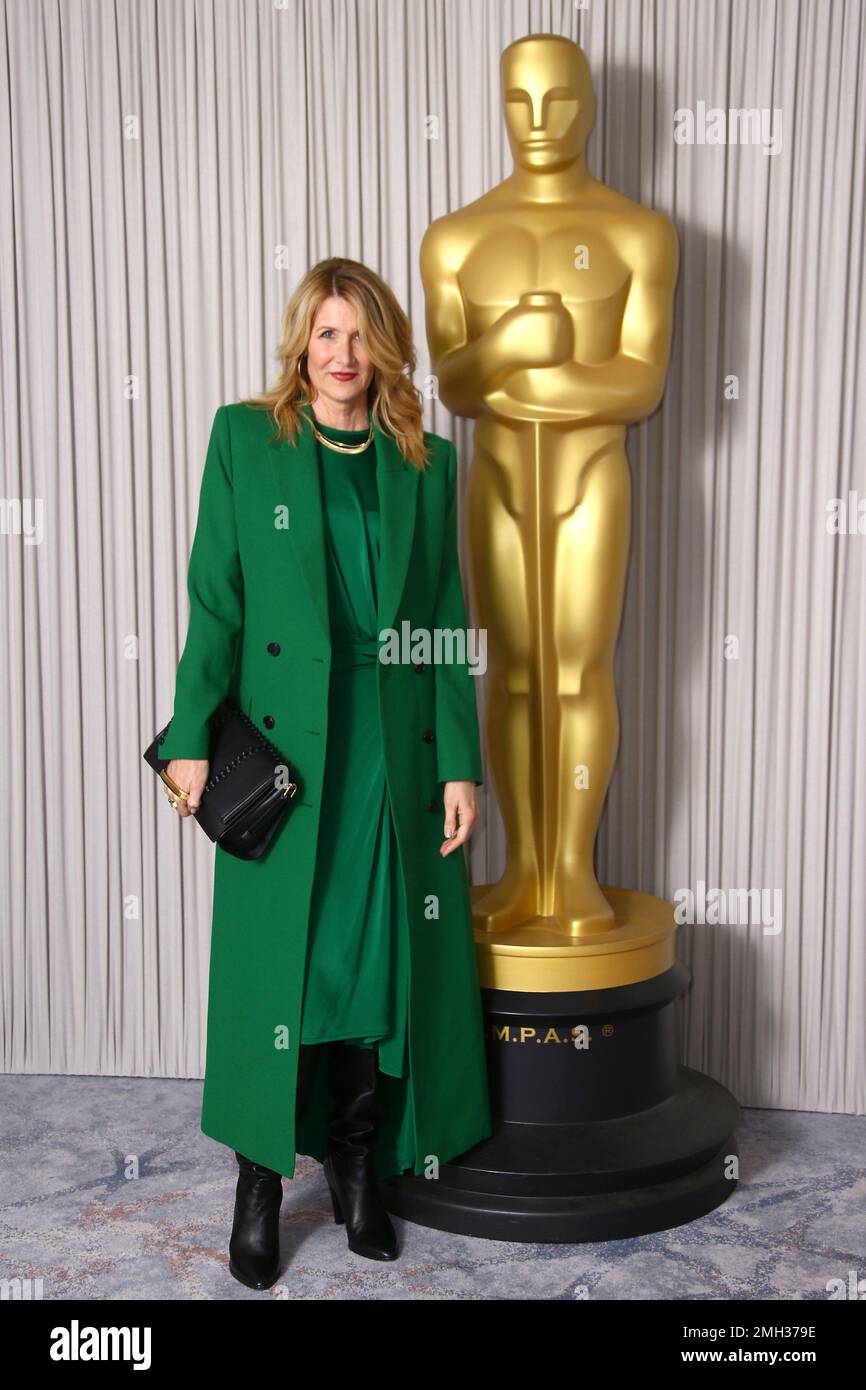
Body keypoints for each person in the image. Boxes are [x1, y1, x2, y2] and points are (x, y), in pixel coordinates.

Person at [157, 257, 492, 1289]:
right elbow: (216, 597)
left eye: (361, 337)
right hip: (284, 750)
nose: (343, 356)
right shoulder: (244, 441)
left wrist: (459, 763)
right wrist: (187, 734)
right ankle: (259, 1186)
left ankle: (357, 1170)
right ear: (301, 344)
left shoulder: (424, 460)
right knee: (283, 973)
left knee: (372, 964)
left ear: (384, 348)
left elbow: (439, 621)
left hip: (388, 752)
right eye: (326, 335)